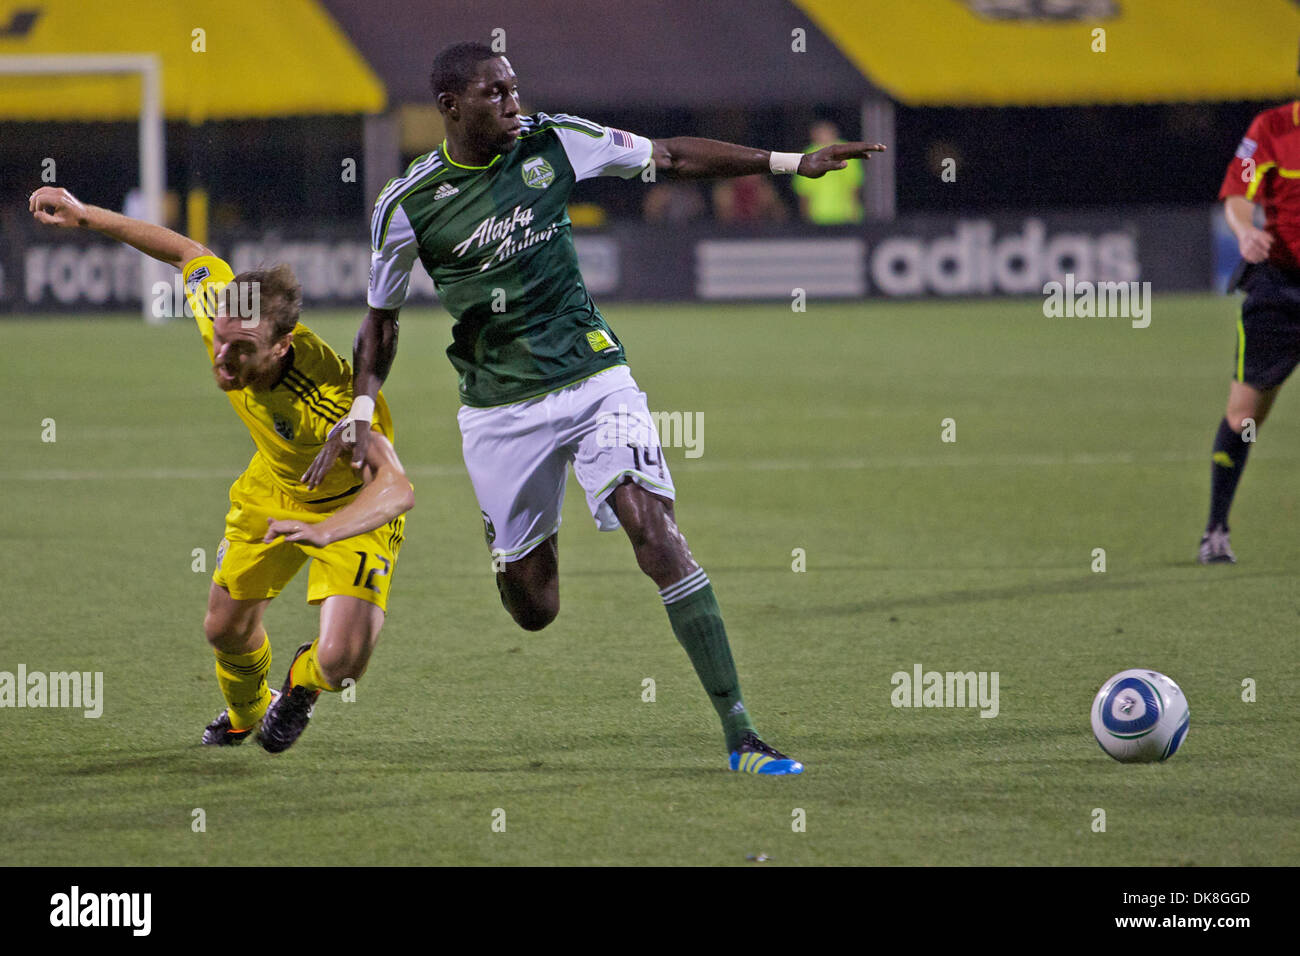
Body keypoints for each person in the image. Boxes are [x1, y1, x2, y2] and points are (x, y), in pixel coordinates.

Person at [306, 42, 883, 774]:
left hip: (592, 376)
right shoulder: (407, 205)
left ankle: (741, 733)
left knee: (655, 528)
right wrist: (360, 404)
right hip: (499, 408)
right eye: (496, 94)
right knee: (533, 606)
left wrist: (788, 163)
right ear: (450, 107)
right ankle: (514, 548)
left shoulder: (556, 142)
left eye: (516, 89)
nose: (516, 103)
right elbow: (380, 321)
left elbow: (669, 156)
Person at [28, 185, 415, 752]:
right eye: (221, 341)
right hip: (276, 486)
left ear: (282, 347)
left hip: (351, 511)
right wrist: (86, 216)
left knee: (343, 664)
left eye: (242, 349)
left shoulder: (330, 402)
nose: (222, 358)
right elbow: (188, 252)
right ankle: (248, 711)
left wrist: (323, 531)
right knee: (223, 629)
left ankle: (299, 689)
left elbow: (399, 488)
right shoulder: (225, 314)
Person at [1201, 100, 1300, 563]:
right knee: (1243, 422)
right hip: (1279, 292)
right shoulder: (1272, 127)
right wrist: (1244, 231)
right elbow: (1237, 193)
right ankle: (1216, 530)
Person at [792, 121, 864, 225]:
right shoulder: (809, 154)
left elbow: (854, 186)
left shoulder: (846, 152)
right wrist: (806, 219)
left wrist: (854, 213)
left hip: (845, 215)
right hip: (818, 216)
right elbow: (804, 191)